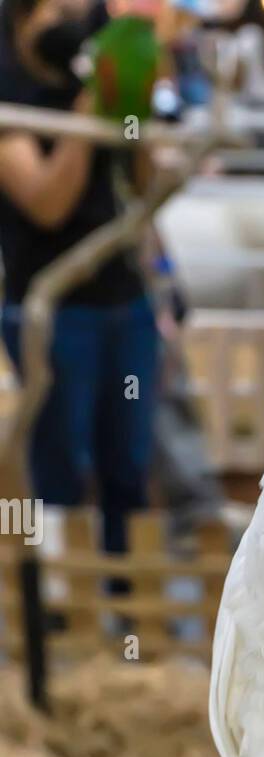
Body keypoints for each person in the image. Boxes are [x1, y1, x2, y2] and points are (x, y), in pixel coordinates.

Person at [0, 0, 159, 554]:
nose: (66, 27)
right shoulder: (10, 88)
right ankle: (59, 618)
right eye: (52, 16)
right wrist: (91, 105)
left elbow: (142, 183)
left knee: (129, 473)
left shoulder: (96, 48)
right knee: (58, 477)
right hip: (51, 309)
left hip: (125, 301)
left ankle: (127, 614)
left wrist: (132, 101)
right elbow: (48, 202)